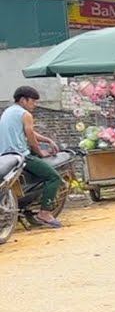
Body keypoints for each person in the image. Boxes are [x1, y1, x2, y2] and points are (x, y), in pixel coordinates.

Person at [0, 86, 62, 228]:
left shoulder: (8, 112)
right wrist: (40, 152)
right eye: (33, 101)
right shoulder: (25, 114)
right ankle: (45, 212)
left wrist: (46, 139)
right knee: (53, 177)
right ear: (23, 100)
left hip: (5, 156)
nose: (35, 104)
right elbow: (30, 138)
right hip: (21, 156)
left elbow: (29, 132)